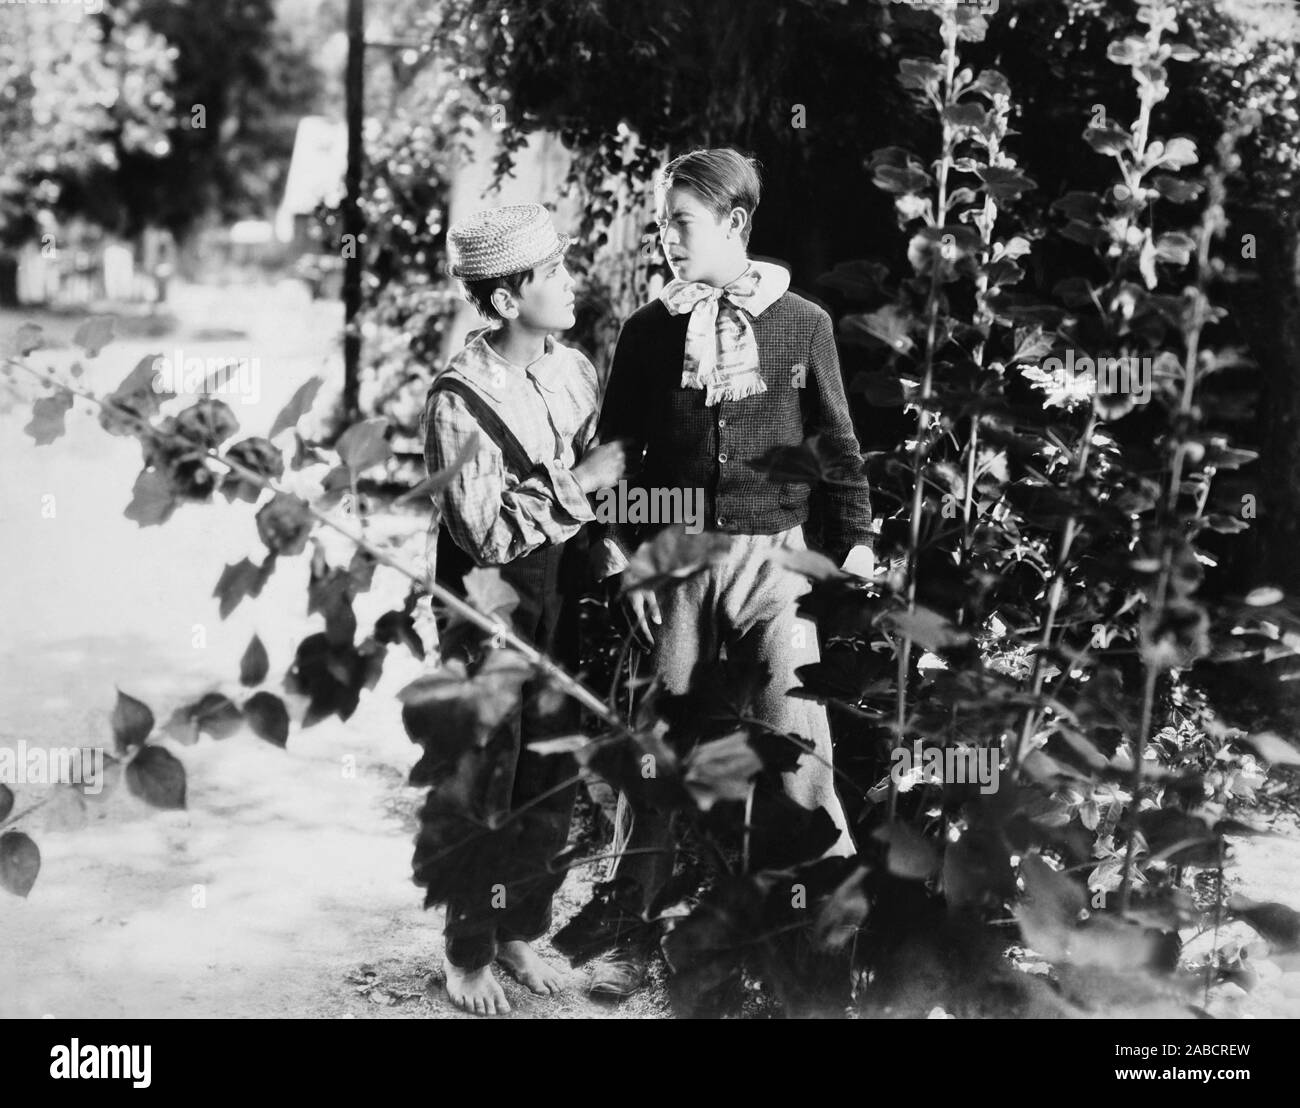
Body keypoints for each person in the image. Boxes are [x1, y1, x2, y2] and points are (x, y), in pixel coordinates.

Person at [588, 148, 876, 997]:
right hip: (680, 560)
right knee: (663, 740)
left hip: (776, 562)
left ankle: (824, 943)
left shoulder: (802, 323)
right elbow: (617, 453)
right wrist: (630, 555)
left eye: (683, 221)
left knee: (797, 740)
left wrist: (855, 539)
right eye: (662, 222)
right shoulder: (650, 330)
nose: (667, 237)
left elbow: (838, 444)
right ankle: (633, 925)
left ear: (735, 225)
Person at [411, 203, 625, 1016]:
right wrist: (580, 486)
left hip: (564, 585)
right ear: (505, 301)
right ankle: (467, 954)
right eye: (553, 275)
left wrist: (605, 552)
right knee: (487, 769)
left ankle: (516, 929)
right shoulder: (457, 399)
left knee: (552, 764)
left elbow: (590, 491)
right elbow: (488, 532)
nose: (571, 284)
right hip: (491, 601)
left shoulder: (572, 370)